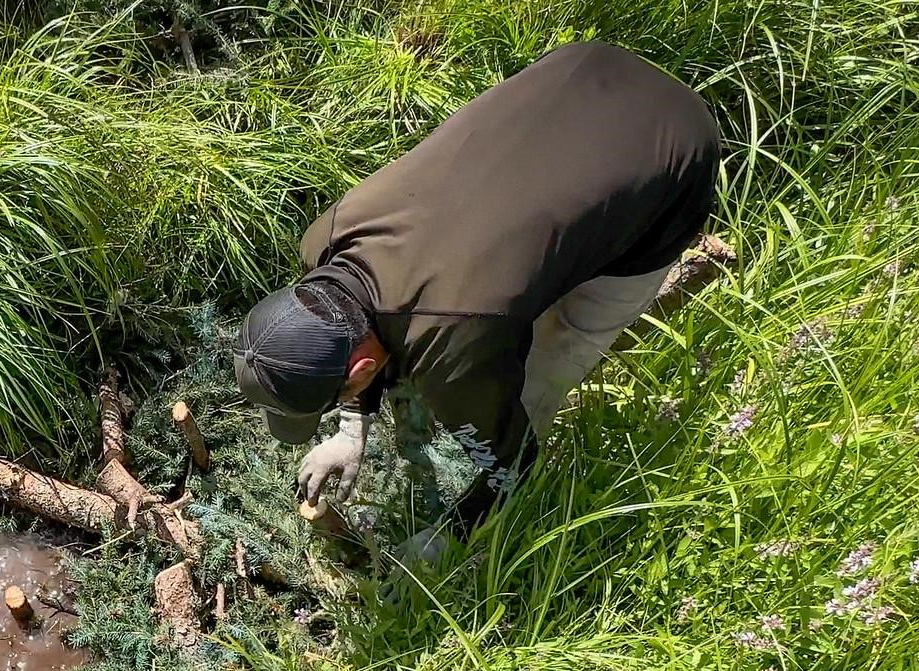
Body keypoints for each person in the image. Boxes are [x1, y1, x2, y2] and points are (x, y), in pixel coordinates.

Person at [232, 40, 720, 557]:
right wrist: (351, 432)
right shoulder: (326, 240)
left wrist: (449, 538)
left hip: (675, 148)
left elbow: (511, 462)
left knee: (557, 354)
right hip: (584, 70)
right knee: (513, 283)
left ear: (359, 370)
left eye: (341, 398)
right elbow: (362, 322)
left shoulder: (456, 344)